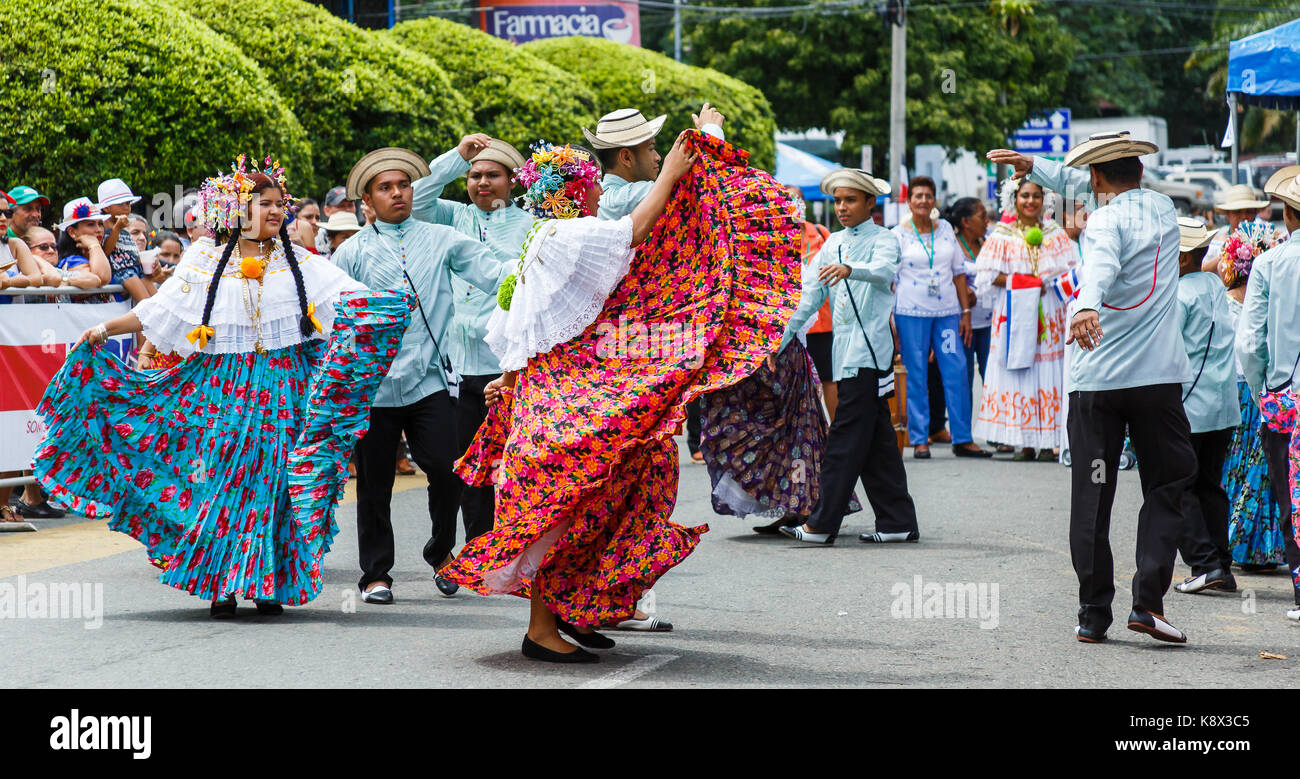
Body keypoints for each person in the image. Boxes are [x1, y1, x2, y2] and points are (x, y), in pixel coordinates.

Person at [446, 130, 799, 661]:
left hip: (558, 390)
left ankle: (578, 610)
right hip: (561, 399)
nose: (596, 194)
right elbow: (634, 230)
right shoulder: (560, 236)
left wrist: (513, 378)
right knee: (566, 506)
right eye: (589, 186)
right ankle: (542, 630)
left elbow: (523, 323)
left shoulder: (551, 237)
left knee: (626, 477)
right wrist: (672, 174)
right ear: (572, 193)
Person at [33, 155, 409, 617]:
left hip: (285, 388)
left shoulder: (301, 262)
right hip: (222, 391)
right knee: (223, 483)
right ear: (235, 210)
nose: (276, 212)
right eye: (264, 204)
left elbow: (350, 298)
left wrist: (391, 303)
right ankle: (223, 583)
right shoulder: (205, 259)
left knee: (275, 484)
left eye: (279, 205)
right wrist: (104, 330)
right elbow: (160, 311)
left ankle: (268, 583)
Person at [992, 131, 1195, 644]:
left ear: (1097, 180)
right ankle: (1147, 601)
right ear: (1141, 174)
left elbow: (1101, 258)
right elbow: (1094, 206)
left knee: (1092, 495)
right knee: (1167, 486)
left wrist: (1085, 305)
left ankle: (1092, 614)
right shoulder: (1164, 212)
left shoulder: (1101, 219)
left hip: (1097, 386)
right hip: (1154, 384)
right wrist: (1038, 166)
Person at [330, 146, 509, 605]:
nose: (398, 194)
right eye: (385, 187)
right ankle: (375, 573)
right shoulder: (351, 252)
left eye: (403, 185)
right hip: (372, 386)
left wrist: (541, 266)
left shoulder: (441, 237)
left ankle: (440, 552)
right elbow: (328, 314)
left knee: (449, 471)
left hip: (430, 379)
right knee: (374, 483)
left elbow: (495, 273)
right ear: (367, 200)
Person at [778, 169, 921, 546]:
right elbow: (810, 295)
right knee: (877, 444)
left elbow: (886, 271)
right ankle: (897, 521)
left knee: (843, 439)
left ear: (870, 203)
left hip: (869, 354)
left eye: (851, 200)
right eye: (838, 200)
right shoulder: (833, 243)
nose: (842, 207)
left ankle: (821, 524)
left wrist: (852, 270)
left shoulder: (884, 239)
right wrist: (780, 337)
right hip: (845, 354)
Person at [412, 133, 535, 549]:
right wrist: (455, 157)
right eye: (475, 175)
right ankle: (473, 548)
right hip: (456, 365)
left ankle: (505, 548)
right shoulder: (452, 217)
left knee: (512, 463)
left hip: (511, 366)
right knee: (464, 465)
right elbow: (417, 193)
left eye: (492, 175)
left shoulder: (533, 224)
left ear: (512, 180)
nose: (482, 182)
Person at [972, 176, 1076, 461]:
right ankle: (1025, 442)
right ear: (1014, 200)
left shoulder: (1056, 233)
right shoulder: (1001, 235)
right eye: (1025, 196)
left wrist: (1049, 282)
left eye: (1036, 196)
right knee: (1019, 372)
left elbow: (1071, 270)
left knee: (1048, 373)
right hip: (1014, 313)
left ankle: (1049, 442)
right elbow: (988, 276)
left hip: (1050, 312)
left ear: (1044, 201)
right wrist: (1024, 282)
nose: (1031, 201)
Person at [1236, 171, 1300, 622]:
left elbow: (1249, 344)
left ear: (1287, 213)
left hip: (1284, 398)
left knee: (1290, 496)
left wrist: (1262, 392)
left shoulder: (1270, 263)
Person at [893, 177, 988, 459]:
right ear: (909, 201)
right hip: (911, 314)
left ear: (934, 200)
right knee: (917, 373)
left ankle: (963, 437)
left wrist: (966, 314)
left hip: (947, 314)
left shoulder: (945, 229)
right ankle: (920, 438)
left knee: (956, 369)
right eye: (918, 196)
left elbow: (958, 273)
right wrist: (890, 323)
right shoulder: (897, 235)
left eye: (928, 195)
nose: (923, 200)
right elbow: (891, 281)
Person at [1169, 218, 1240, 596]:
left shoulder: (1178, 295)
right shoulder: (1213, 283)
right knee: (1210, 484)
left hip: (1190, 404)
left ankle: (1205, 563)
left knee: (1179, 486)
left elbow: (1168, 350)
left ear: (1181, 260)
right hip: (1222, 403)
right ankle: (1221, 565)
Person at [584, 104, 725, 222]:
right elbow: (701, 185)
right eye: (650, 148)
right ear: (626, 157)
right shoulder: (627, 198)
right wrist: (712, 131)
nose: (658, 157)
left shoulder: (601, 195)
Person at [787, 184, 838, 419]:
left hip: (822, 321)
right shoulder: (775, 235)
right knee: (797, 381)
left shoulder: (820, 232)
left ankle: (837, 433)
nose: (794, 205)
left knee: (829, 378)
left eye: (798, 200)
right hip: (791, 324)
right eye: (788, 199)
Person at [944, 197, 993, 404]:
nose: (987, 221)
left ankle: (997, 430)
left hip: (991, 323)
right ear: (965, 222)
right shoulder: (951, 246)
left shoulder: (990, 242)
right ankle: (964, 432)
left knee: (992, 378)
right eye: (982, 217)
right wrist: (961, 292)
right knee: (964, 379)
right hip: (963, 325)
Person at [96, 178, 156, 305]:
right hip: (123, 271)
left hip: (137, 268)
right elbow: (106, 251)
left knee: (158, 301)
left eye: (128, 203)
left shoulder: (125, 225)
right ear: (106, 208)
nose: (126, 208)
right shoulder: (104, 227)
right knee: (147, 305)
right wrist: (117, 228)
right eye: (120, 204)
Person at [1205, 185, 1284, 269]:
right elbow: (1204, 268)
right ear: (1227, 214)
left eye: (1249, 211)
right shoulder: (1218, 241)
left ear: (1255, 213)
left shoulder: (1265, 239)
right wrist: (1227, 252)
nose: (1243, 216)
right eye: (1237, 212)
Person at [55, 198, 114, 303]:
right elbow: (102, 278)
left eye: (100, 224)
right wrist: (94, 244)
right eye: (91, 224)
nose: (99, 229)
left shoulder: (97, 255)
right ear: (72, 232)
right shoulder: (72, 261)